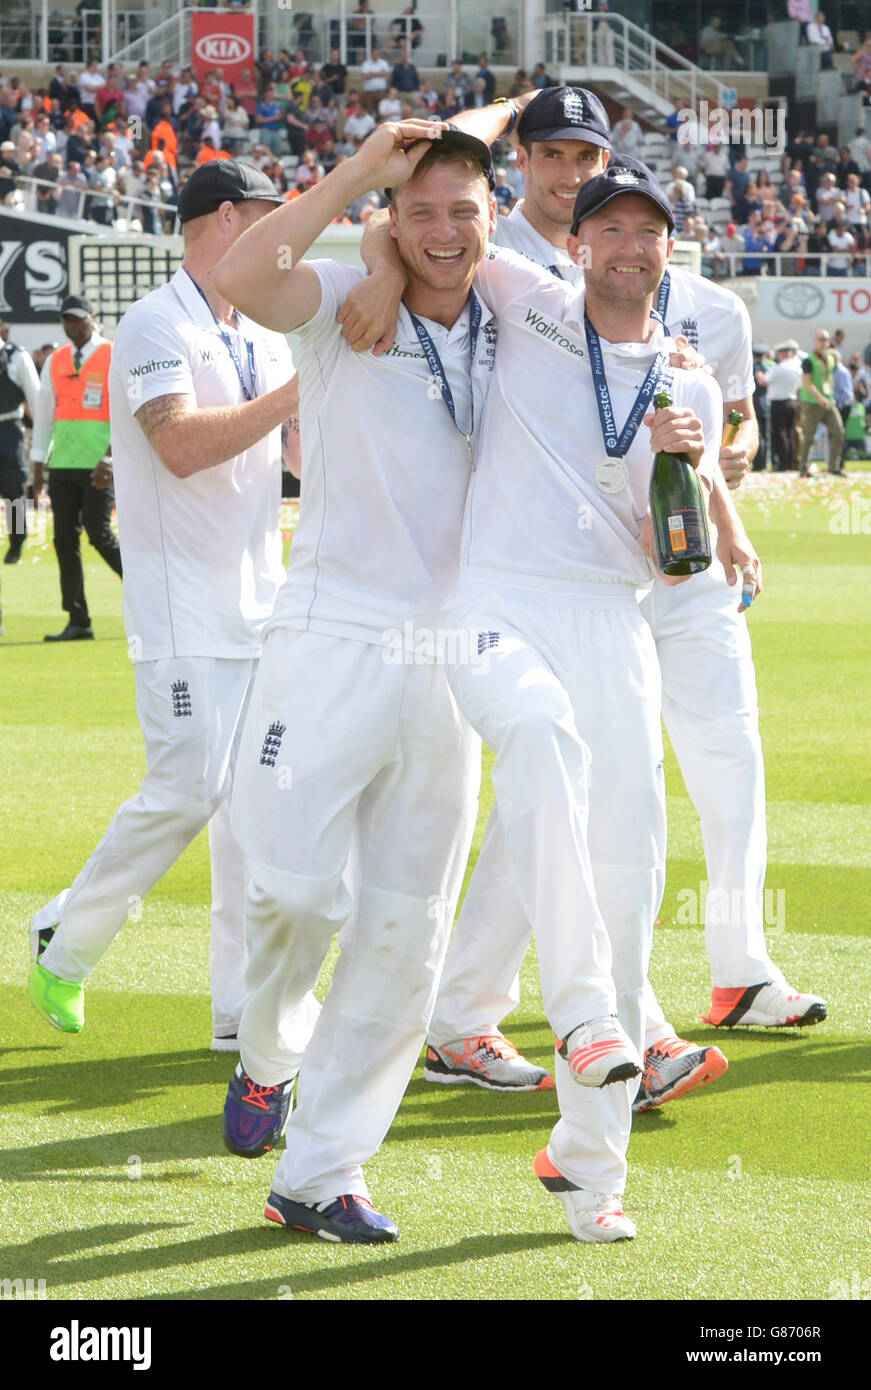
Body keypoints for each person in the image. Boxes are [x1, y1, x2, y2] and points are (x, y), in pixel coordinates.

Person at [406, 93, 824, 1112]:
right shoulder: (501, 256)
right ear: (523, 166)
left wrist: (722, 507)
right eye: (544, 153)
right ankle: (608, 1024)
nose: (563, 172)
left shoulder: (696, 307)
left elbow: (698, 432)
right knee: (555, 780)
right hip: (511, 574)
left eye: (581, 154)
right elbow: (408, 217)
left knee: (615, 787)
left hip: (638, 573)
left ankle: (489, 1014)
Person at [213, 122, 490, 1243]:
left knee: (408, 927)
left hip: (452, 661)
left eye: (460, 210)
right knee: (290, 892)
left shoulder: (516, 309)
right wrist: (362, 185)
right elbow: (240, 275)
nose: (441, 231)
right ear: (390, 213)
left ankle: (321, 1173)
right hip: (330, 634)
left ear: (489, 214)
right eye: (417, 211)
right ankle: (271, 1052)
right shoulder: (338, 303)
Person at [26, 161, 298, 1052]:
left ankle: (237, 1013)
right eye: (266, 221)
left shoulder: (261, 327)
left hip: (262, 603)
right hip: (182, 603)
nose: (280, 239)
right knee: (189, 787)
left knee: (254, 816)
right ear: (226, 221)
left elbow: (295, 455)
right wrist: (296, 397)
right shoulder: (153, 322)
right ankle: (68, 941)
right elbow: (178, 443)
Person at [29, 297, 122, 641]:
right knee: (64, 541)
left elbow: (126, 412)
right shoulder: (56, 360)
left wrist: (110, 458)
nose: (73, 326)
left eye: (79, 320)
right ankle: (78, 619)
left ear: (94, 320)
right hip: (64, 464)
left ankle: (153, 597)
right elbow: (44, 417)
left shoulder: (114, 354)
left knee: (100, 536)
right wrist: (38, 468)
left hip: (100, 464)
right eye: (67, 321)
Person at [0, 319, 40, 564]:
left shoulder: (17, 357)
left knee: (14, 490)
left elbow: (35, 399)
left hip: (9, 430)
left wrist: (43, 441)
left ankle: (16, 543)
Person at [797, 328, 846, 476]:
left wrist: (828, 397)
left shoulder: (830, 358)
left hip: (828, 402)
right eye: (821, 339)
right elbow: (806, 381)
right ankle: (803, 469)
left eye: (826, 339)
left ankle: (834, 466)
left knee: (839, 432)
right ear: (815, 342)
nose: (824, 342)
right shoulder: (808, 360)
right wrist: (819, 397)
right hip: (812, 402)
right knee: (809, 436)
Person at [765, 341, 803, 471]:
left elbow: (765, 380)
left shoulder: (778, 368)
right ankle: (792, 462)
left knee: (780, 434)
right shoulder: (798, 368)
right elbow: (800, 387)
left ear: (782, 354)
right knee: (791, 433)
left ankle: (783, 463)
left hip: (778, 403)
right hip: (792, 401)